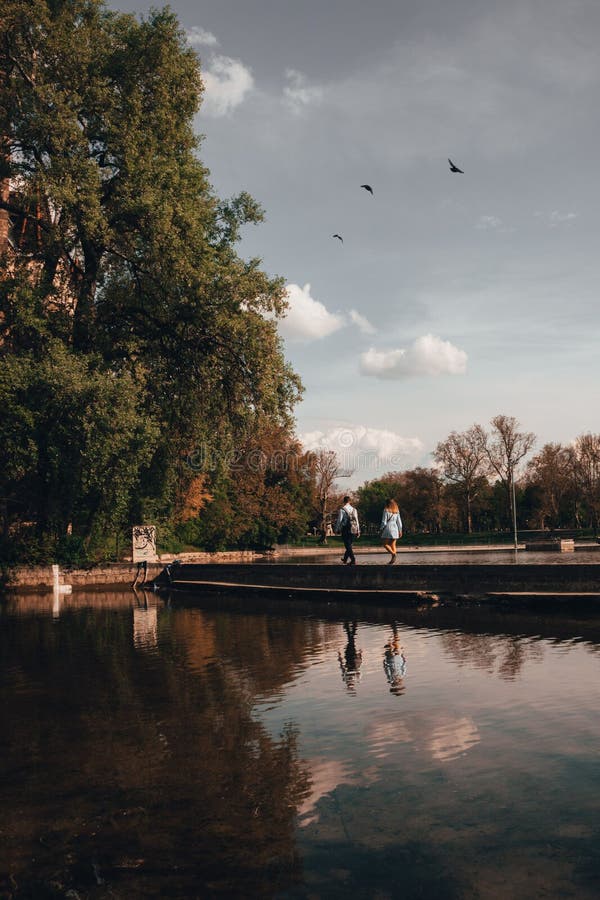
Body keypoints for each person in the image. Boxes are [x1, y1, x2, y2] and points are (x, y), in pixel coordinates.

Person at [335, 495, 360, 565]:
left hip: (346, 529)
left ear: (344, 501)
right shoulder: (354, 510)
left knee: (347, 545)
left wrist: (336, 529)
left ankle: (353, 559)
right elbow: (357, 520)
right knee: (349, 544)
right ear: (350, 501)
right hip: (354, 529)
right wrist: (358, 530)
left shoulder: (342, 510)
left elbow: (339, 520)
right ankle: (345, 559)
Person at [380, 498, 402, 564]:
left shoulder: (386, 510)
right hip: (395, 528)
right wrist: (400, 530)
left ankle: (393, 554)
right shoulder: (397, 511)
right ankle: (393, 559)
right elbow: (399, 522)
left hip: (388, 528)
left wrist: (381, 529)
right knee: (393, 544)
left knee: (385, 544)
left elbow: (384, 522)